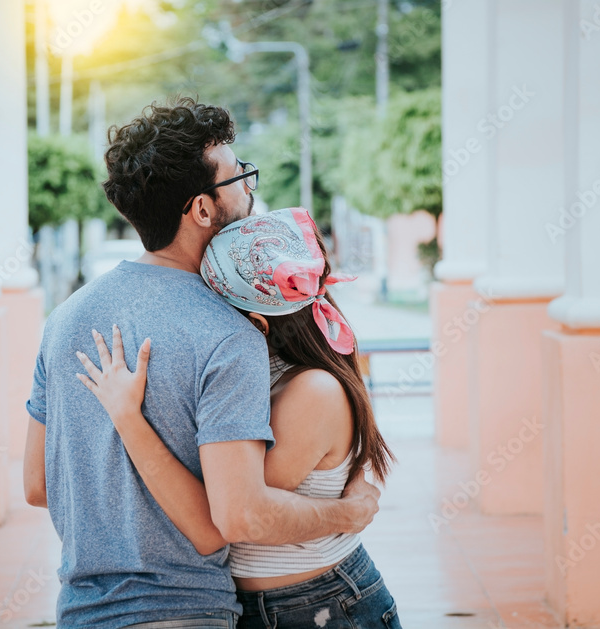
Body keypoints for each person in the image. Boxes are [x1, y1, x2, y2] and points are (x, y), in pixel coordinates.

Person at [23, 98, 382, 629]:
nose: (250, 190)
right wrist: (347, 514)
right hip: (184, 612)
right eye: (240, 177)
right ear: (202, 210)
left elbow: (37, 486)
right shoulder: (226, 334)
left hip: (81, 612)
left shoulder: (66, 319)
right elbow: (230, 522)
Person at [76, 207, 402, 629]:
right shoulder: (253, 375)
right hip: (257, 605)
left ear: (259, 323)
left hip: (322, 604)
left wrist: (128, 418)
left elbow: (236, 514)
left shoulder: (312, 390)